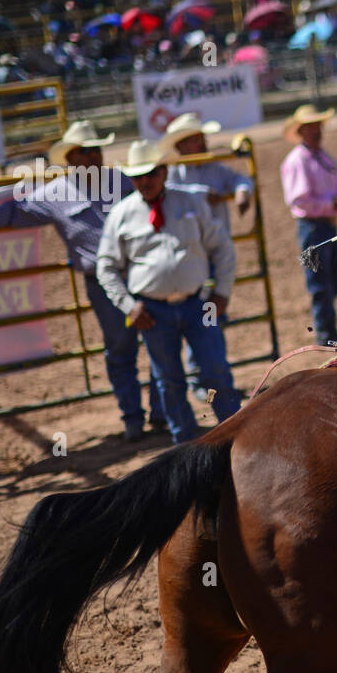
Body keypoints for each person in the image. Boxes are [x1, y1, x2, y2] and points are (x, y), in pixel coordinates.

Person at [0, 120, 164, 440]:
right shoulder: (56, 193)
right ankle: (133, 417)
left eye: (95, 150)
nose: (92, 156)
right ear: (70, 159)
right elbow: (15, 211)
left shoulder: (124, 180)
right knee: (121, 348)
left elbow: (163, 197)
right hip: (104, 283)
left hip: (143, 274)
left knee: (158, 343)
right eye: (84, 152)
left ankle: (161, 413)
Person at [97, 141, 240, 445]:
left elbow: (222, 247)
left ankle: (234, 434)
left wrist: (222, 293)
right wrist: (128, 306)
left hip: (200, 303)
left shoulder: (192, 202)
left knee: (215, 369)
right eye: (137, 177)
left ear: (163, 172)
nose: (144, 182)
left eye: (150, 174)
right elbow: (106, 267)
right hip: (152, 311)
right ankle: (184, 442)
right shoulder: (121, 214)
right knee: (168, 379)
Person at [161, 111, 254, 396]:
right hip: (191, 255)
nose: (201, 143)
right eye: (194, 140)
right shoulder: (175, 172)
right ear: (181, 147)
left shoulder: (213, 167)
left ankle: (210, 379)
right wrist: (208, 194)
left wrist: (241, 193)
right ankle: (201, 379)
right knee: (199, 316)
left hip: (210, 253)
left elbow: (241, 179)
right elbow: (175, 194)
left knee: (210, 315)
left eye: (200, 138)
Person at [280, 104, 337, 345]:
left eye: (317, 126)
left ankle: (328, 330)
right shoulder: (298, 160)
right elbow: (299, 201)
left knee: (331, 279)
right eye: (310, 127)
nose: (316, 131)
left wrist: (335, 201)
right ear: (301, 131)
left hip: (324, 225)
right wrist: (332, 203)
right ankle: (325, 333)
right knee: (320, 282)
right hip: (312, 227)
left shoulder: (320, 156)